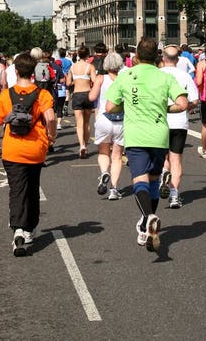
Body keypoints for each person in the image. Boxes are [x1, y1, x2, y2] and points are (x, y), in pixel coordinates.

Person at [105, 38, 188, 252]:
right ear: (157, 58)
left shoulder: (126, 76)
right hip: (160, 135)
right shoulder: (164, 76)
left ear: (136, 57)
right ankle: (146, 228)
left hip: (137, 136)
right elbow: (183, 104)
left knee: (139, 180)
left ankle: (149, 216)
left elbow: (110, 106)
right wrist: (165, 109)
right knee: (152, 181)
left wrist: (127, 105)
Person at [0, 52, 56, 256]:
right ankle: (29, 228)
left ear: (16, 71)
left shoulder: (6, 95)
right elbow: (51, 117)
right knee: (33, 188)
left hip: (12, 150)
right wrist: (51, 136)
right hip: (35, 148)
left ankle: (18, 229)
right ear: (34, 72)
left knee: (17, 190)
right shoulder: (42, 95)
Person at [159, 46, 199, 208]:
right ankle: (174, 195)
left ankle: (163, 173)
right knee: (176, 159)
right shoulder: (184, 76)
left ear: (163, 58)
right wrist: (186, 108)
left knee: (162, 156)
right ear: (177, 59)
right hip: (179, 122)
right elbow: (195, 100)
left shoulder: (157, 74)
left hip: (159, 121)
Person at [88, 52, 125, 200]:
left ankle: (104, 172)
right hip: (121, 120)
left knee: (103, 152)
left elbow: (91, 97)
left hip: (103, 118)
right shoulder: (125, 79)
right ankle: (114, 189)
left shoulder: (100, 78)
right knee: (117, 156)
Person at [65, 47, 97, 158]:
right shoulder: (90, 66)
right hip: (87, 94)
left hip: (77, 94)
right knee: (87, 122)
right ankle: (86, 145)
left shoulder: (73, 67)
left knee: (79, 123)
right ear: (88, 55)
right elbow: (94, 80)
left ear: (78, 54)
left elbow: (68, 83)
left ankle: (81, 145)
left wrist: (76, 80)